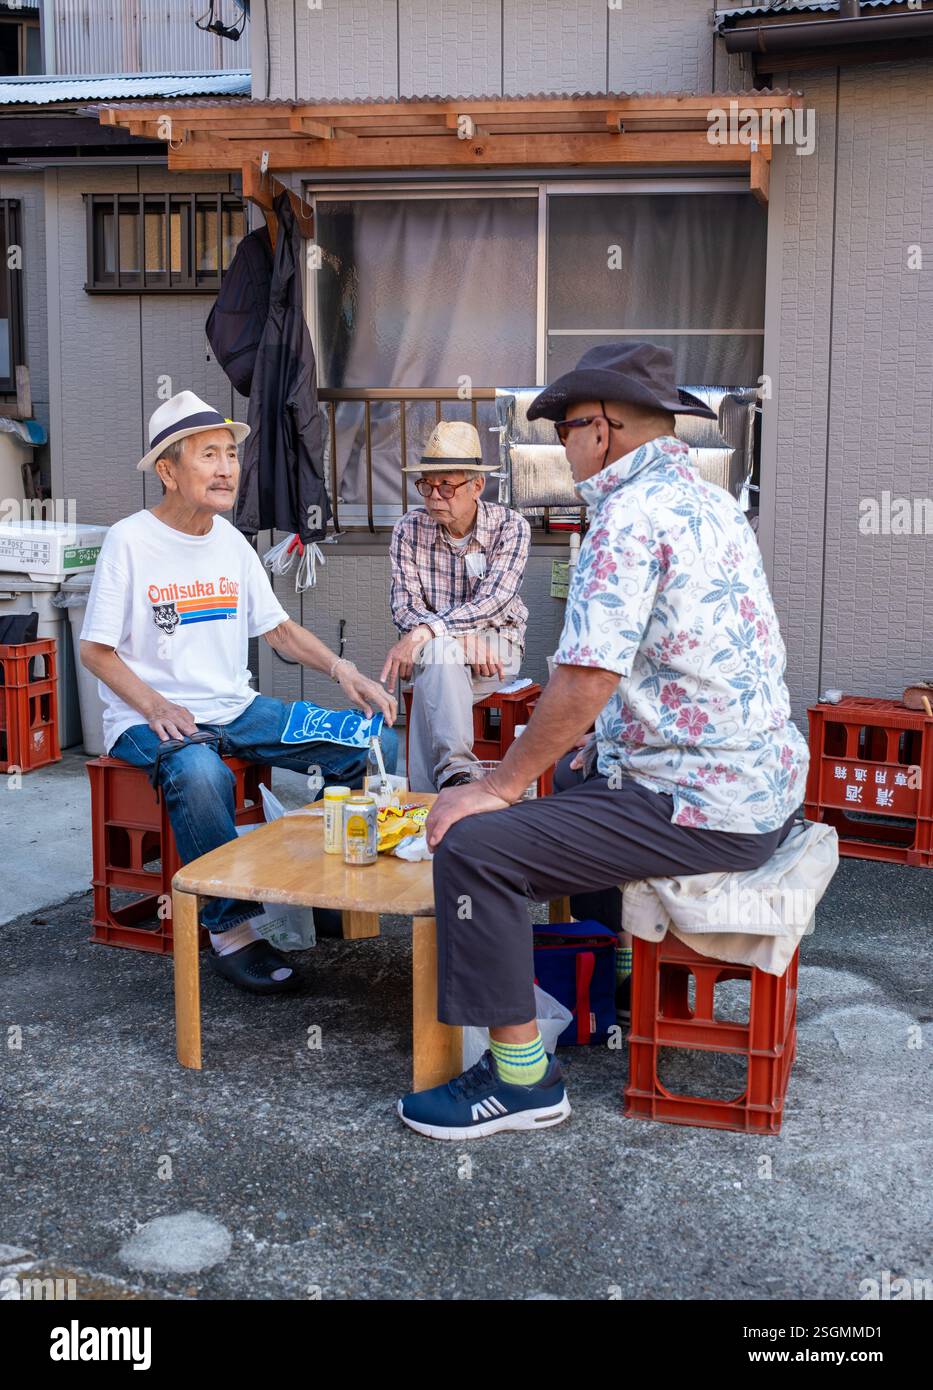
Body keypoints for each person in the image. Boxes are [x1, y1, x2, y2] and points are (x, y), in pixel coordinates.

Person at [396, 342, 809, 1141]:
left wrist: (497, 785)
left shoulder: (626, 515)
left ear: (604, 428)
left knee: (476, 845)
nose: (560, 449)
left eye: (563, 431)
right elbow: (666, 659)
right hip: (757, 784)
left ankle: (520, 1082)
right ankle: (612, 986)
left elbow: (586, 677)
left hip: (699, 802)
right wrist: (592, 745)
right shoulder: (708, 500)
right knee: (581, 774)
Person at [80, 391, 397, 994]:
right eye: (208, 455)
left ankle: (326, 888)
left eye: (230, 454)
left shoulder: (231, 542)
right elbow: (94, 650)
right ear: (168, 470)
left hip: (238, 708)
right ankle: (232, 929)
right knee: (202, 775)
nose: (227, 467)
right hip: (148, 719)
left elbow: (277, 628)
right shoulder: (129, 541)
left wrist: (342, 670)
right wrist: (153, 705)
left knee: (365, 743)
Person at [381, 420, 530, 792]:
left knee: (437, 652)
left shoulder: (511, 527)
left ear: (477, 485)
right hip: (434, 651)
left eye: (446, 485)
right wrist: (452, 638)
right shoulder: (408, 529)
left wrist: (431, 630)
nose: (434, 496)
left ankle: (423, 799)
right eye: (426, 485)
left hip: (496, 647)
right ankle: (456, 775)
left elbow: (495, 602)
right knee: (442, 653)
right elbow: (404, 607)